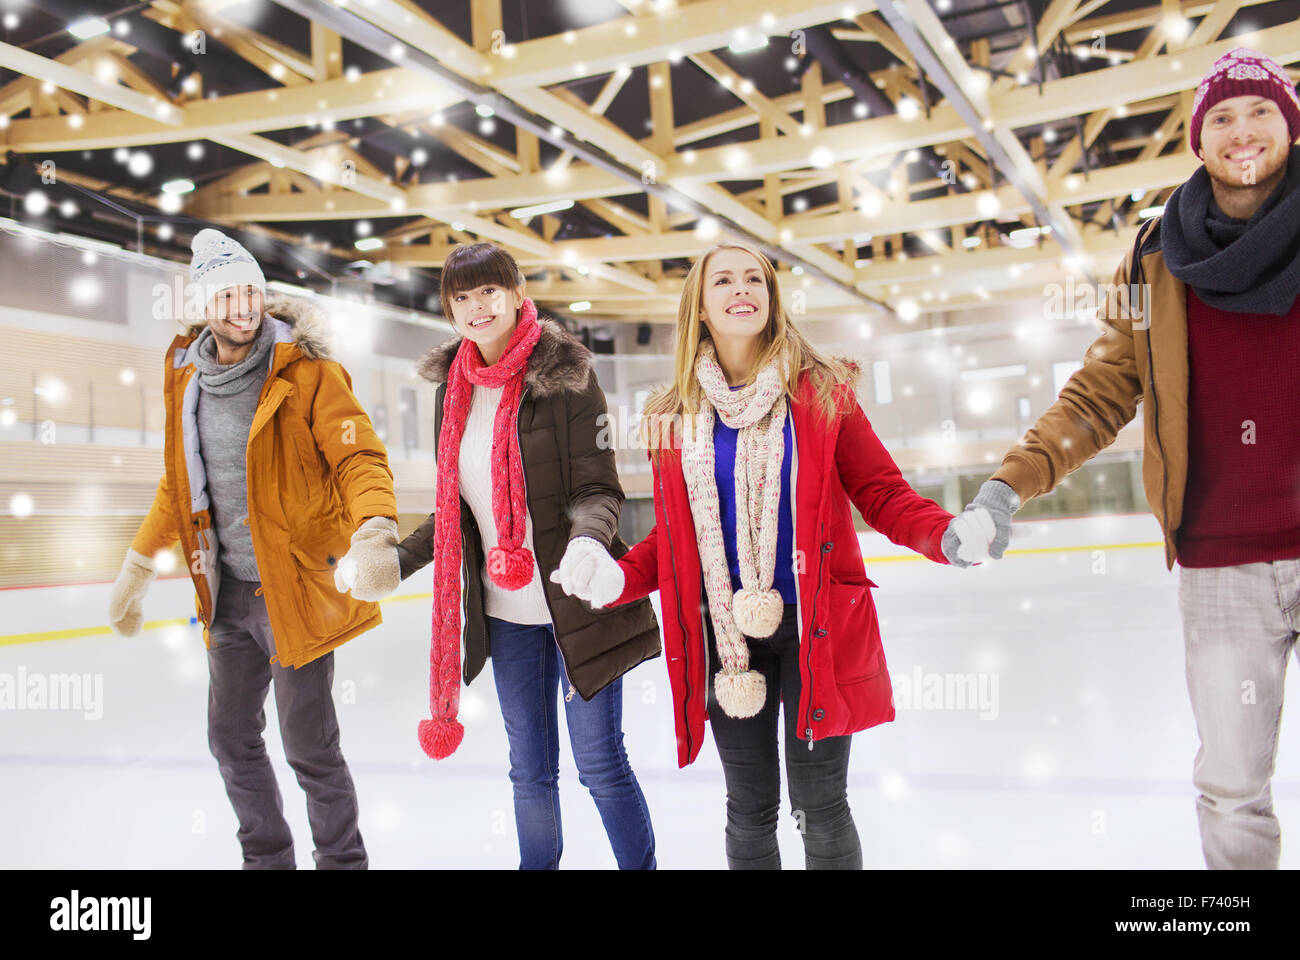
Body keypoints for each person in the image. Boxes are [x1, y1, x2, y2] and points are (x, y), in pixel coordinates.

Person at [947, 49, 1300, 869]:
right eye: (1221, 116)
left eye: (1260, 112)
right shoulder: (1155, 255)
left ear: (1289, 126)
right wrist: (1006, 488)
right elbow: (1100, 393)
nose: (1241, 131)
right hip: (1221, 566)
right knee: (1233, 783)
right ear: (1197, 139)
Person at [552, 240, 984, 869]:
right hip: (728, 637)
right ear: (700, 306)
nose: (741, 289)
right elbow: (675, 540)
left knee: (822, 806)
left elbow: (880, 491)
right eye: (723, 280)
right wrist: (615, 577)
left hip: (816, 625)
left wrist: (943, 534)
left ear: (772, 298)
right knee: (748, 811)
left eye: (754, 278)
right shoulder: (674, 415)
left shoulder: (820, 393)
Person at [107, 228, 400, 868]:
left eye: (251, 293)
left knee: (310, 746)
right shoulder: (185, 376)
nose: (242, 308)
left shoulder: (309, 371)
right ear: (203, 305)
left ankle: (343, 863)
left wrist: (375, 526)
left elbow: (358, 455)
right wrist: (135, 567)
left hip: (292, 589)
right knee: (231, 739)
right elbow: (177, 485)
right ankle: (267, 860)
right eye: (226, 297)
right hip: (227, 595)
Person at [366, 241, 661, 869]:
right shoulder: (453, 389)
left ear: (517, 293)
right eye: (462, 297)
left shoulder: (567, 374)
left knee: (600, 764)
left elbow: (597, 487)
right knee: (529, 772)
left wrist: (588, 540)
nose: (478, 307)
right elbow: (457, 513)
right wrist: (397, 560)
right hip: (506, 617)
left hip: (579, 601)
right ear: (449, 310)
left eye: (489, 291)